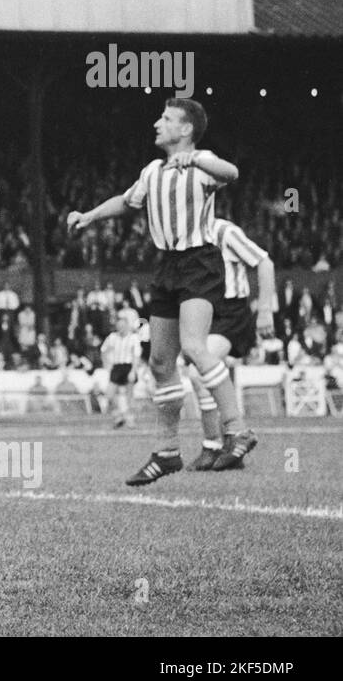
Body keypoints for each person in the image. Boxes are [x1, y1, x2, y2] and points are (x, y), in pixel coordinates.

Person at [68, 98, 240, 486]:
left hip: (197, 260)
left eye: (166, 119)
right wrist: (89, 216)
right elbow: (127, 201)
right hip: (166, 266)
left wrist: (195, 160)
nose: (156, 124)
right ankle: (166, 452)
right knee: (161, 363)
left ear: (186, 130)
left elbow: (231, 172)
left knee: (195, 348)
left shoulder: (201, 163)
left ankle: (236, 429)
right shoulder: (152, 171)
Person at [184, 218, 275, 472]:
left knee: (197, 372)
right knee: (200, 377)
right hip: (206, 314)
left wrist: (265, 310)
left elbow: (265, 262)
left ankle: (223, 441)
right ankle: (224, 449)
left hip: (232, 313)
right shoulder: (185, 236)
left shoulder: (224, 231)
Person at [100, 309, 142, 428]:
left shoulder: (133, 338)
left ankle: (130, 419)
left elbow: (136, 355)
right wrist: (106, 364)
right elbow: (103, 350)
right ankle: (118, 416)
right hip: (117, 367)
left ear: (127, 326)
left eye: (123, 326)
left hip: (128, 366)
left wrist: (133, 371)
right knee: (109, 395)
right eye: (119, 326)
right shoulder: (112, 337)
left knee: (129, 395)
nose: (121, 328)